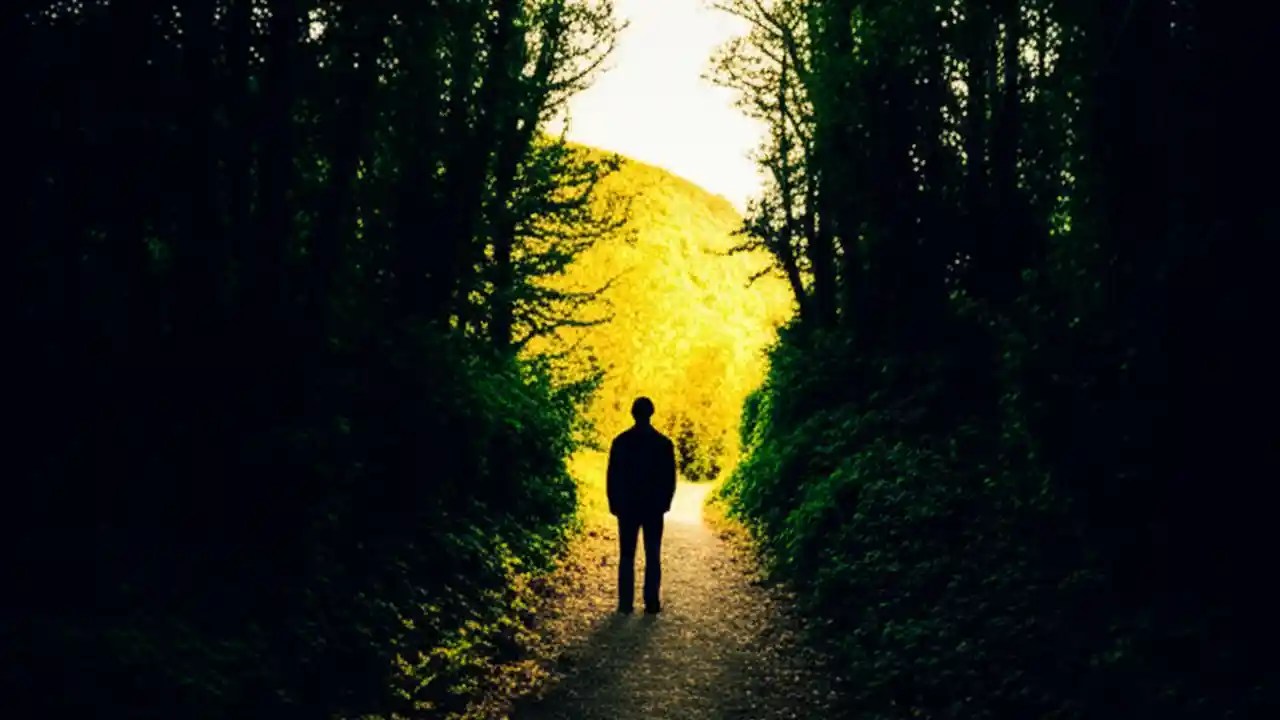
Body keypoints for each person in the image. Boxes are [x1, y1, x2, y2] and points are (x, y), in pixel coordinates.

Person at [606, 396, 677, 614]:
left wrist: (614, 502)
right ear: (651, 413)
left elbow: (612, 476)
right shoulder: (663, 444)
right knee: (653, 554)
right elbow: (670, 478)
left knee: (627, 555)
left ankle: (625, 603)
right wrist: (665, 503)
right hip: (653, 507)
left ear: (633, 413)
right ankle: (651, 602)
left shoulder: (621, 442)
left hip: (627, 507)